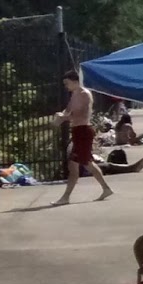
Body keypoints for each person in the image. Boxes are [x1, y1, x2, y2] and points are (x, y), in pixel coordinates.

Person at [51, 71, 113, 205]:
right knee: (85, 163)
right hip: (78, 131)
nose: (66, 86)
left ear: (74, 81)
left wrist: (64, 118)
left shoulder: (84, 94)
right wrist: (61, 116)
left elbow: (81, 114)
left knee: (79, 164)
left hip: (84, 131)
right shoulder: (74, 94)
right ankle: (106, 188)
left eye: (67, 83)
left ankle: (66, 197)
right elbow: (68, 110)